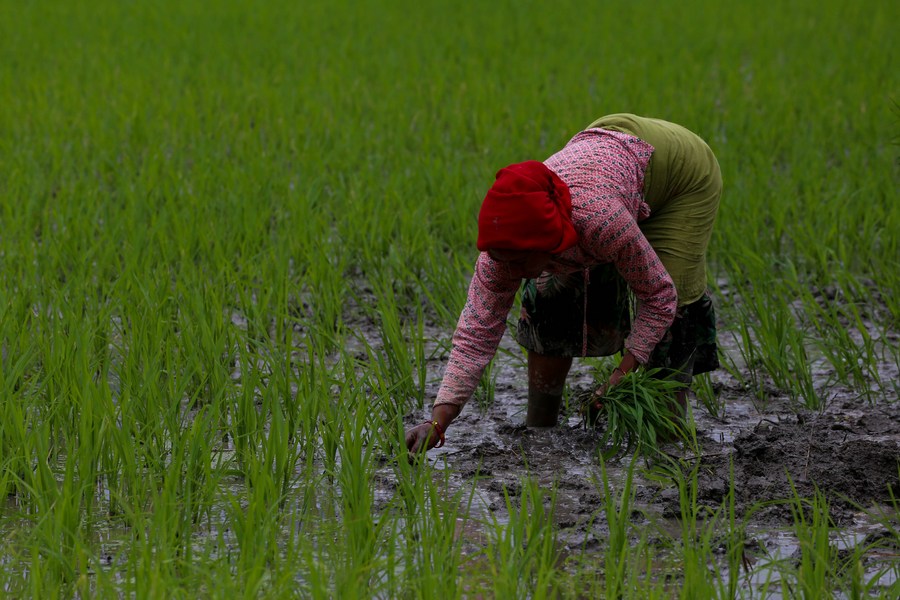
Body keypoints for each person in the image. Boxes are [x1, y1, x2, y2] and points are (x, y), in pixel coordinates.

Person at [405, 113, 722, 454]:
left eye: (517, 261)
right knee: (548, 295)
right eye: (500, 259)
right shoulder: (503, 252)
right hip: (604, 157)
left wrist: (621, 375)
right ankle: (540, 430)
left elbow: (659, 296)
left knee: (675, 314)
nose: (508, 270)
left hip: (681, 172)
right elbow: (475, 335)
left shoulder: (600, 223)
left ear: (546, 243)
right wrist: (437, 423)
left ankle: (668, 438)